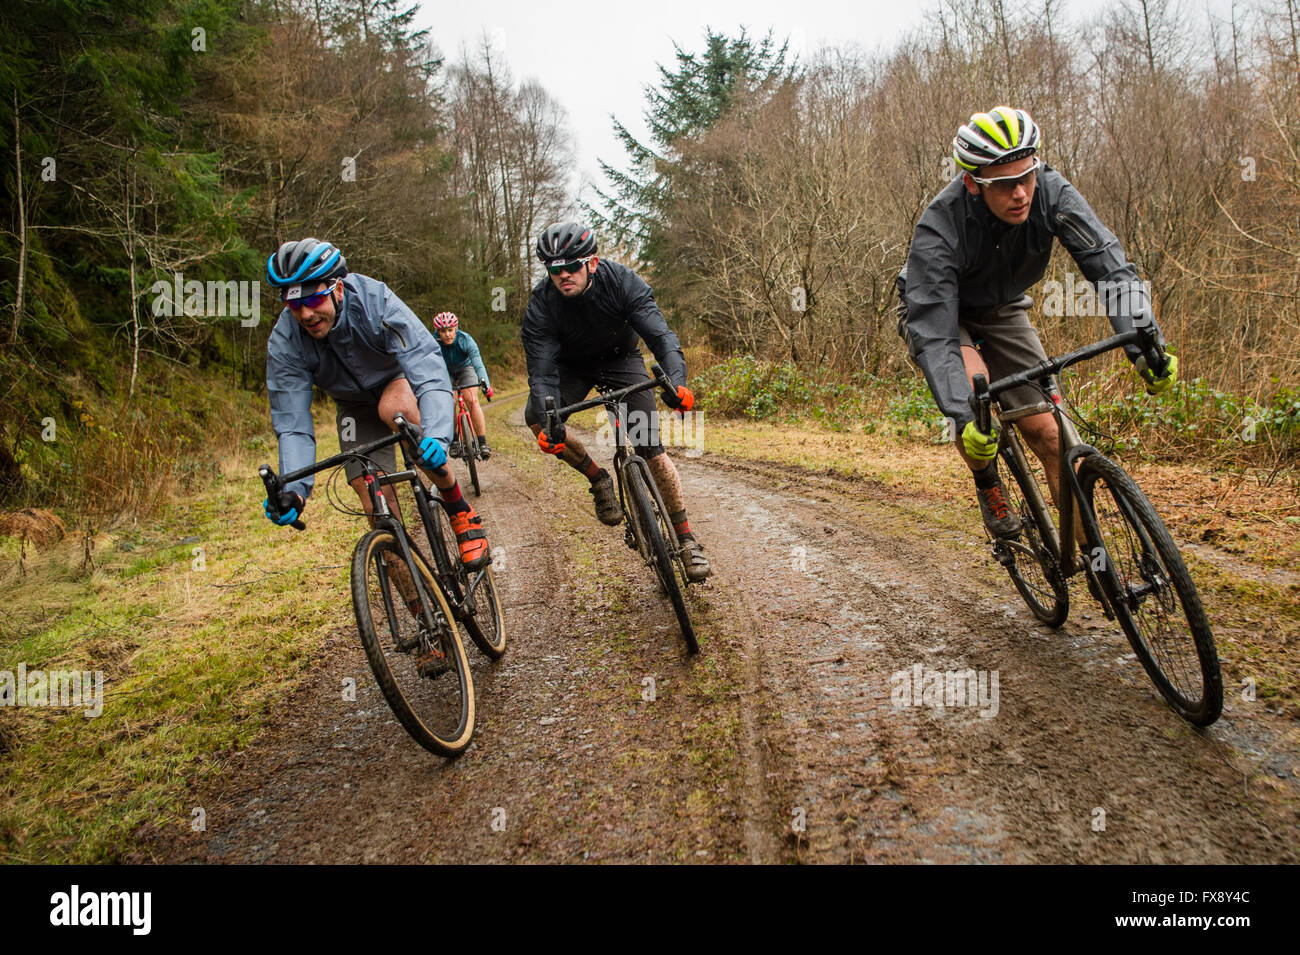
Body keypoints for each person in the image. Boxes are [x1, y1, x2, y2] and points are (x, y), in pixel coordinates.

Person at [896, 106, 1178, 538]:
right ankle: (987, 480)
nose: (1021, 193)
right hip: (941, 314)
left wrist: (1145, 343)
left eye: (1026, 176)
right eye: (1005, 184)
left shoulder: (1051, 192)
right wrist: (963, 412)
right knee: (975, 397)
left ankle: (1096, 562)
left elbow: (1110, 268)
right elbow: (934, 335)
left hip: (1002, 307)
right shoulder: (940, 227)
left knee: (1050, 436)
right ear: (972, 183)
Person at [261, 238, 491, 575]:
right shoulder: (285, 340)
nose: (306, 314)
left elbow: (426, 367)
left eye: (313, 299)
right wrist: (295, 492)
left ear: (337, 288)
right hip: (352, 407)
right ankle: (426, 613)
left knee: (395, 409)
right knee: (374, 506)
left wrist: (439, 437)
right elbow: (292, 422)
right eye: (294, 305)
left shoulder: (374, 300)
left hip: (394, 380)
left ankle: (458, 509)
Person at [521, 221, 711, 582]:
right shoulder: (542, 305)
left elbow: (660, 336)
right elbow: (542, 371)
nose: (563, 276)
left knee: (651, 448)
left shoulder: (622, 281)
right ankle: (597, 478)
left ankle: (686, 539)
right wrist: (550, 421)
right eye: (554, 269)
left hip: (620, 360)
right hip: (569, 368)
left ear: (591, 262)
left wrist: (677, 383)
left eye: (571, 267)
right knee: (536, 416)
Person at [431, 311, 494, 459]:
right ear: (437, 331)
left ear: (456, 328)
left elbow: (478, 364)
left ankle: (482, 442)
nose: (447, 334)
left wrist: (486, 385)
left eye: (450, 330)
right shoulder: (433, 343)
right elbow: (430, 366)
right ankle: (454, 442)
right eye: (442, 331)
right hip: (445, 371)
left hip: (466, 368)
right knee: (450, 402)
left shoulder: (466, 340)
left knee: (472, 400)